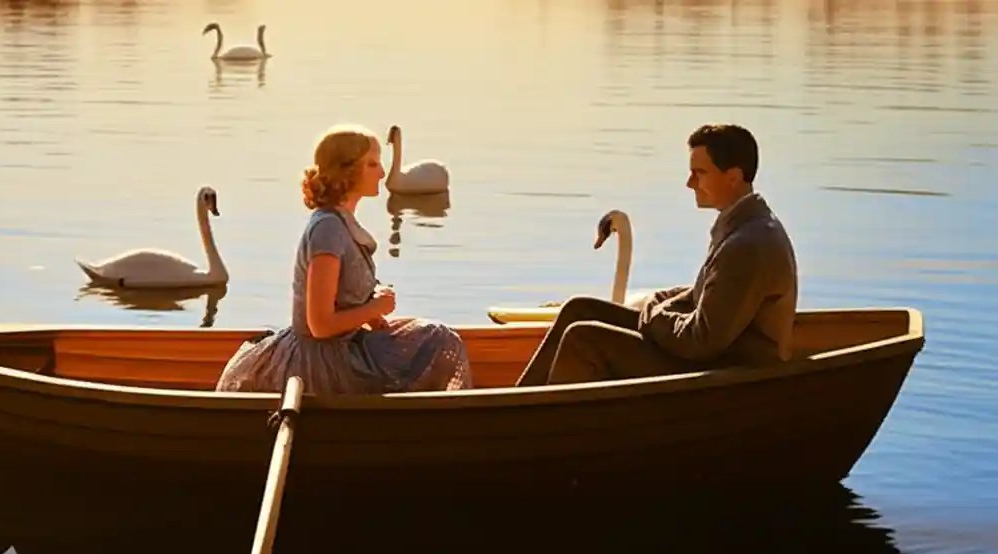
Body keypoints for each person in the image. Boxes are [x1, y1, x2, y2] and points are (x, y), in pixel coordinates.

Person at [516, 123, 798, 386]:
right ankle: (516, 404)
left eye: (699, 173)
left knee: (584, 338)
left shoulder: (749, 244)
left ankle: (544, 423)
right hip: (712, 354)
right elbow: (711, 292)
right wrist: (660, 301)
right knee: (580, 310)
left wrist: (653, 314)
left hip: (727, 372)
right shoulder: (745, 224)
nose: (690, 183)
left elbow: (702, 341)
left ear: (733, 177)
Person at [215, 124, 473, 395]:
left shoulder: (341, 222)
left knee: (435, 337)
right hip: (321, 363)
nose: (383, 173)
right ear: (348, 171)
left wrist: (372, 311)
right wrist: (374, 308)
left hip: (345, 347)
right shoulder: (328, 229)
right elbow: (320, 325)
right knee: (439, 340)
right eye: (372, 164)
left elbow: (343, 294)